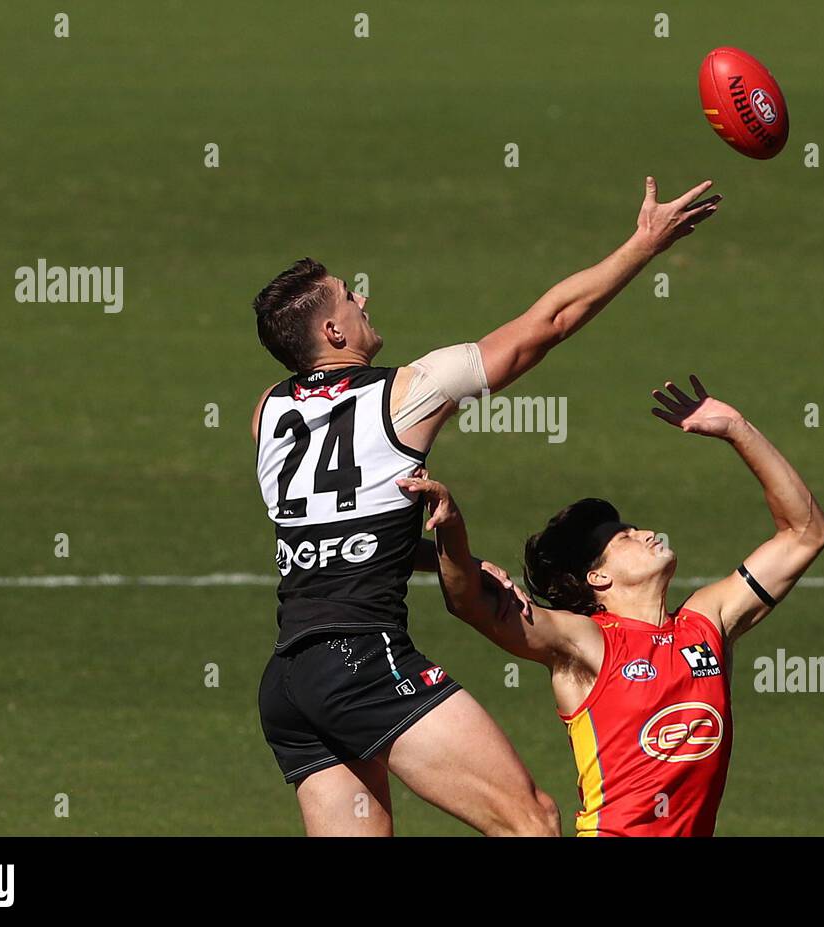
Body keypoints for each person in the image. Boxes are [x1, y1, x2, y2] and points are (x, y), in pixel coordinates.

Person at [250, 179, 721, 835]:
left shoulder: (267, 412)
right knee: (529, 820)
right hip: (361, 657)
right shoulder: (410, 392)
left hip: (290, 681)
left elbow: (326, 532)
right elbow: (548, 323)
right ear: (333, 330)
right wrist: (643, 244)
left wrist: (443, 553)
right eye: (350, 297)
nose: (363, 299)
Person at [399, 376, 824, 836]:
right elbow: (469, 603)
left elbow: (807, 531)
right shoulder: (585, 642)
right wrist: (450, 529)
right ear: (597, 577)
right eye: (624, 537)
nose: (647, 534)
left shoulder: (707, 623)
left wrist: (737, 429)